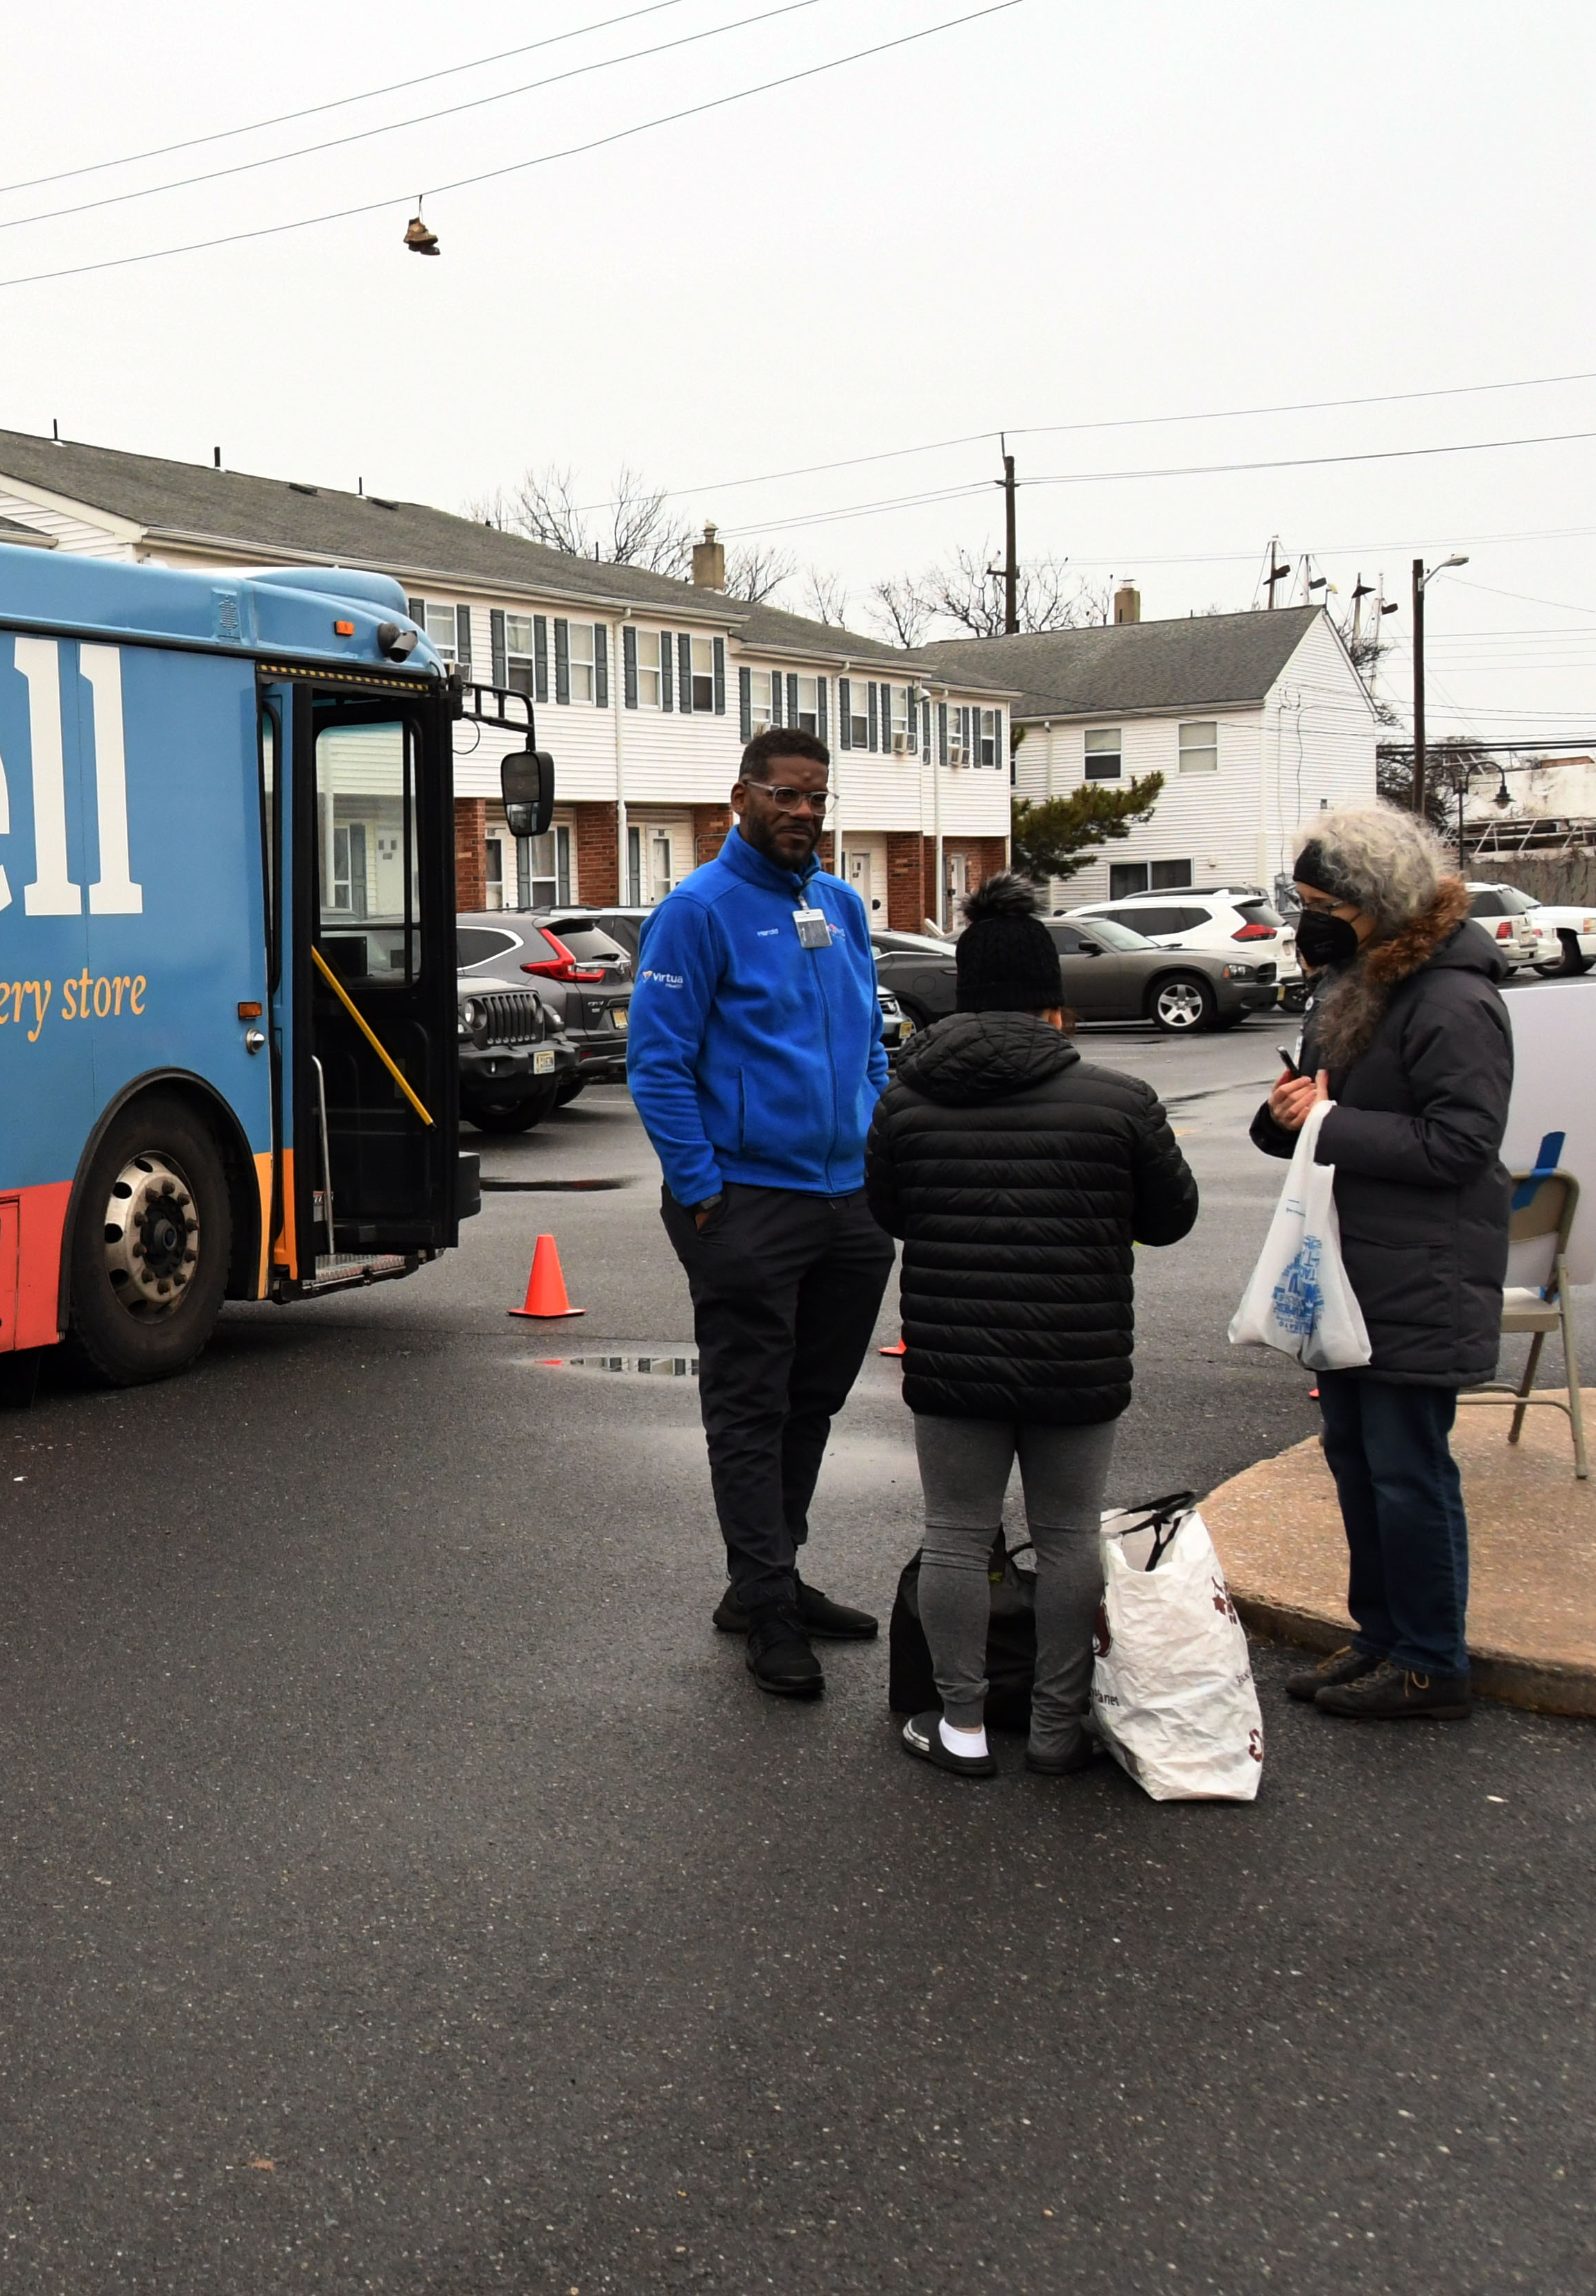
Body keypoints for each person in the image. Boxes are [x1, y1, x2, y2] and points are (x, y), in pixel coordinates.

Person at [863, 874, 1199, 1776]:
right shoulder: (1119, 1100)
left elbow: (886, 1211)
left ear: (963, 993)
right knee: (1065, 1537)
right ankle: (1055, 1730)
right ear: (1051, 1000)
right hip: (1076, 1359)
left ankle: (962, 1726)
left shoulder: (905, 1099)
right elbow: (1171, 1219)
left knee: (957, 1535)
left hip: (953, 1357)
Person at [628, 726, 896, 1699]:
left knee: (811, 1402)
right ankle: (765, 1604)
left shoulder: (837, 904)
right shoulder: (696, 911)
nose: (803, 813)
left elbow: (870, 1038)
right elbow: (656, 1065)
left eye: (816, 798)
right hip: (745, 1202)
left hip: (847, 1204)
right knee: (749, 1408)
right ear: (741, 796)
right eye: (785, 795)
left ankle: (769, 1574)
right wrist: (703, 1190)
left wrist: (873, 1141)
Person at [1254, 807, 1511, 1723]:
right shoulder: (1354, 984)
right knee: (1357, 1460)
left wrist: (1327, 1125)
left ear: (1375, 902)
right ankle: (1380, 1635)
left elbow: (1461, 1143)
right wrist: (1289, 1110)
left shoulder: (1451, 997)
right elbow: (1317, 1108)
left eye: (1323, 902)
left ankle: (1431, 1660)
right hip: (1351, 1267)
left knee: (1408, 1470)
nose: (1307, 918)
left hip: (1418, 1273)